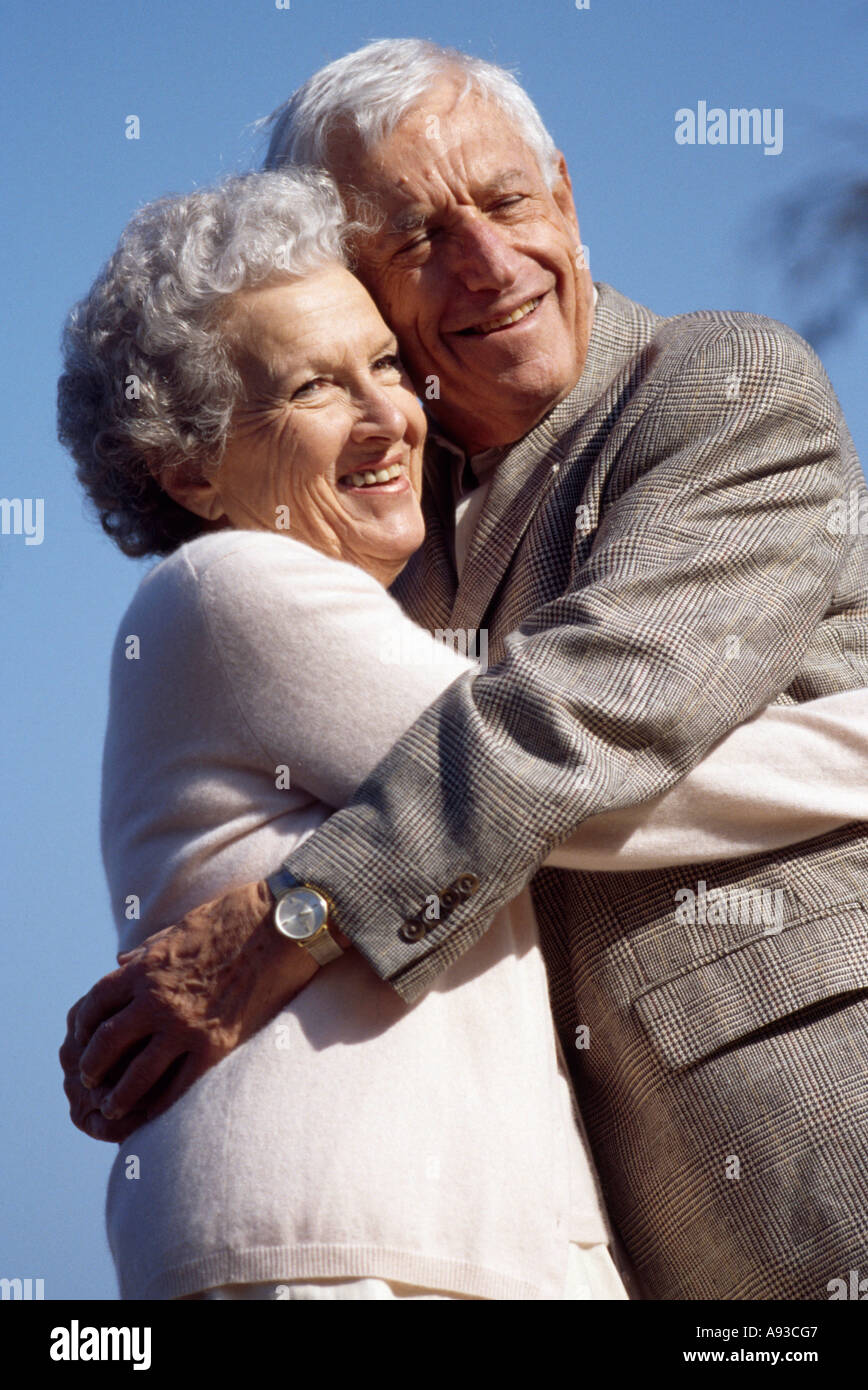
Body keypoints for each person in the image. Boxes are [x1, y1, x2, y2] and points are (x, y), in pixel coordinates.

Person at [61, 40, 868, 1300]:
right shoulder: (350, 538)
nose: (488, 264)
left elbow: (587, 721)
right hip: (545, 1226)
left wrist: (294, 916)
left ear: (567, 192)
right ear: (357, 283)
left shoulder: (717, 388)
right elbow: (508, 750)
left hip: (807, 1139)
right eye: (418, 238)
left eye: (506, 199)